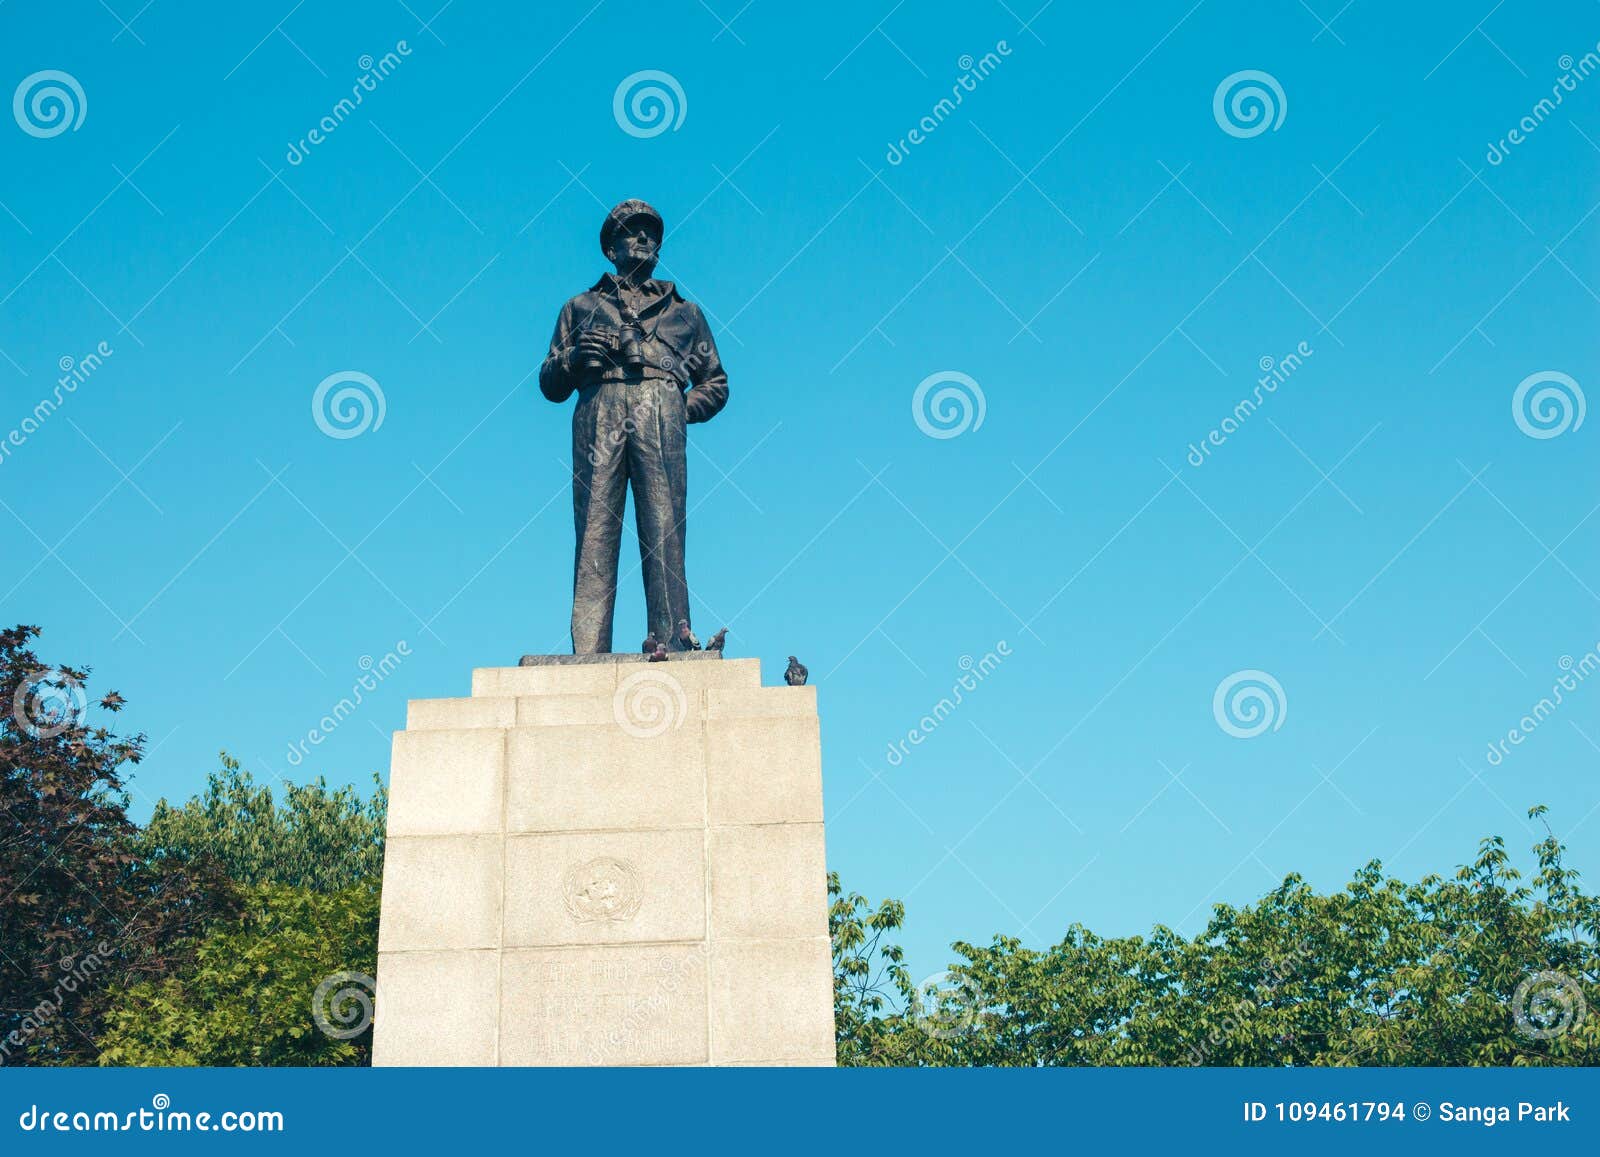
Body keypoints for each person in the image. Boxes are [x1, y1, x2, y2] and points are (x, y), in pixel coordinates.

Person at [539, 199, 729, 654]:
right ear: (611, 248)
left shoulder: (686, 313)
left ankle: (672, 642)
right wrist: (572, 358)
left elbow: (716, 383)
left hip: (661, 410)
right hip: (599, 408)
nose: (644, 238)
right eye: (632, 230)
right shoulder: (579, 307)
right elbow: (549, 382)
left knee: (665, 531)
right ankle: (588, 649)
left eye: (651, 233)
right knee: (594, 529)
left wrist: (677, 409)